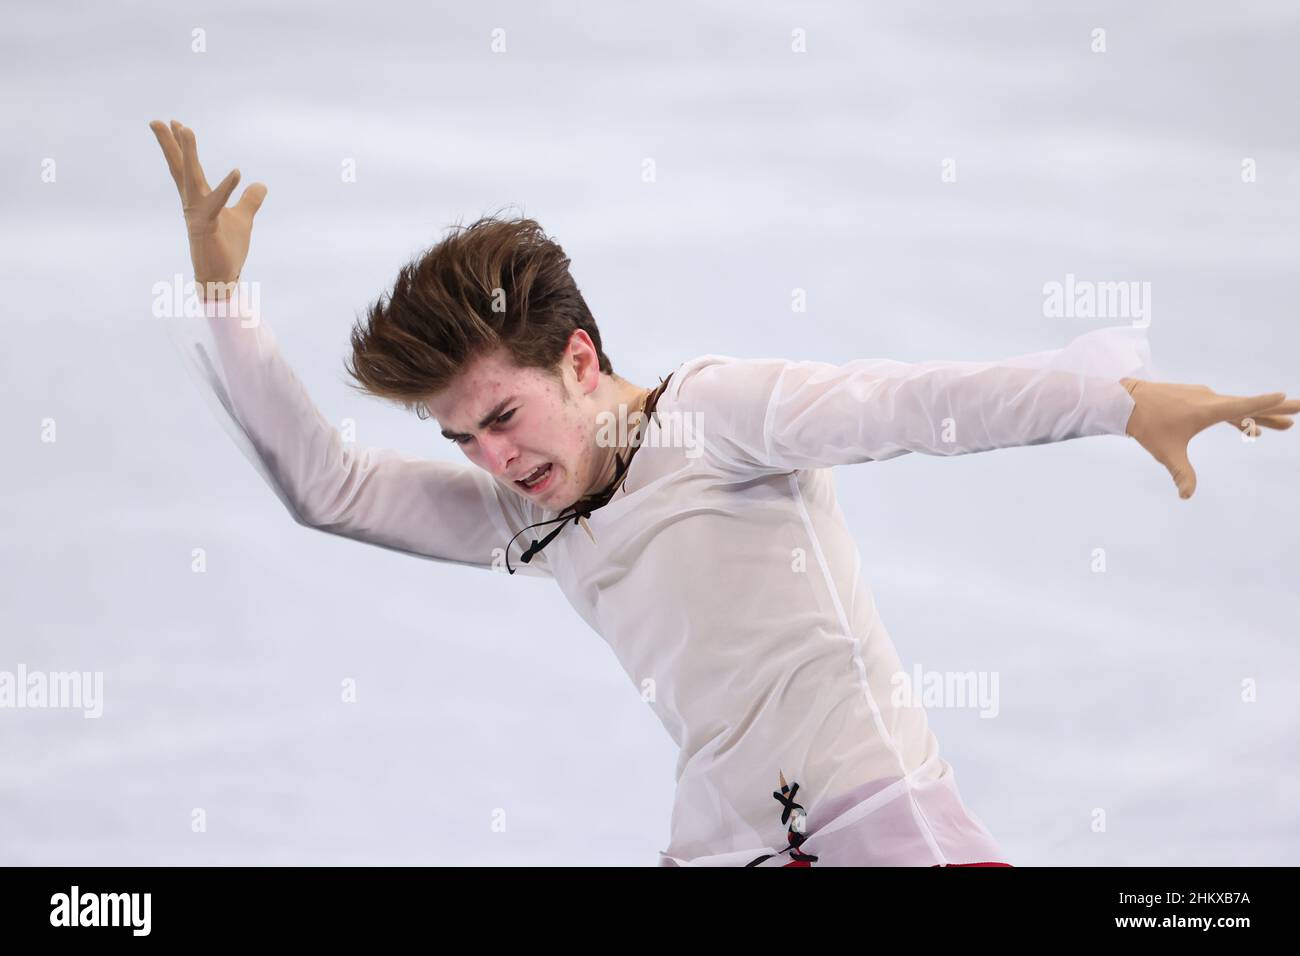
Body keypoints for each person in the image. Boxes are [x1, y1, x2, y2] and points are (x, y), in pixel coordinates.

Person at [148, 119, 1297, 866]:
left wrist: (1117, 398)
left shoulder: (716, 413)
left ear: (581, 360)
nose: (492, 459)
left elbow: (911, 404)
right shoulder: (528, 515)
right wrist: (221, 303)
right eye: (461, 438)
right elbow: (327, 486)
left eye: (503, 416)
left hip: (886, 839)